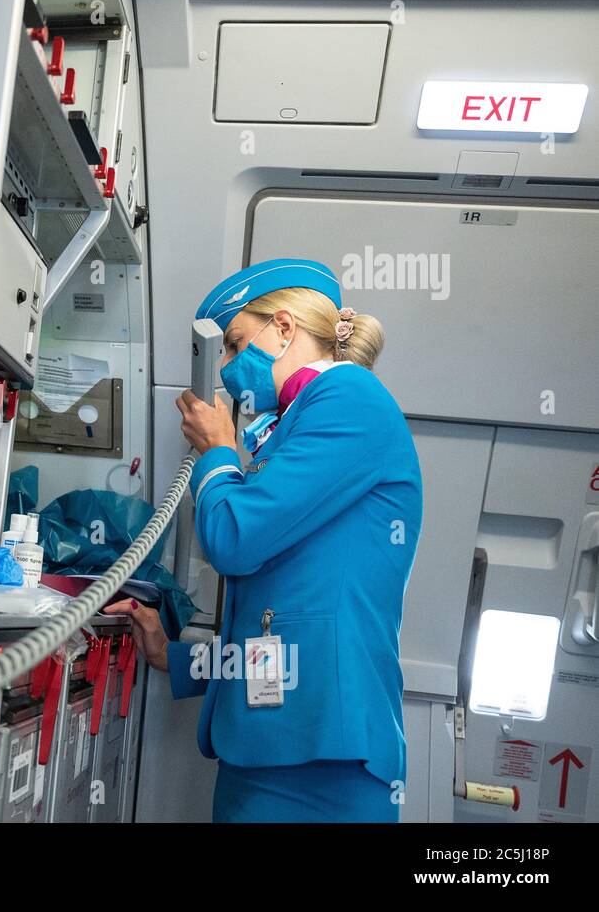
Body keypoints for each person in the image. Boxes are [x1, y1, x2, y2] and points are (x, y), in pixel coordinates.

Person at [106, 258, 423, 822]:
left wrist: (217, 452)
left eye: (231, 345)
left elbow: (233, 538)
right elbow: (282, 619)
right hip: (280, 747)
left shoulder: (349, 399)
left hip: (321, 757)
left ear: (283, 329)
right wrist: (175, 660)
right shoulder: (295, 425)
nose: (226, 369)